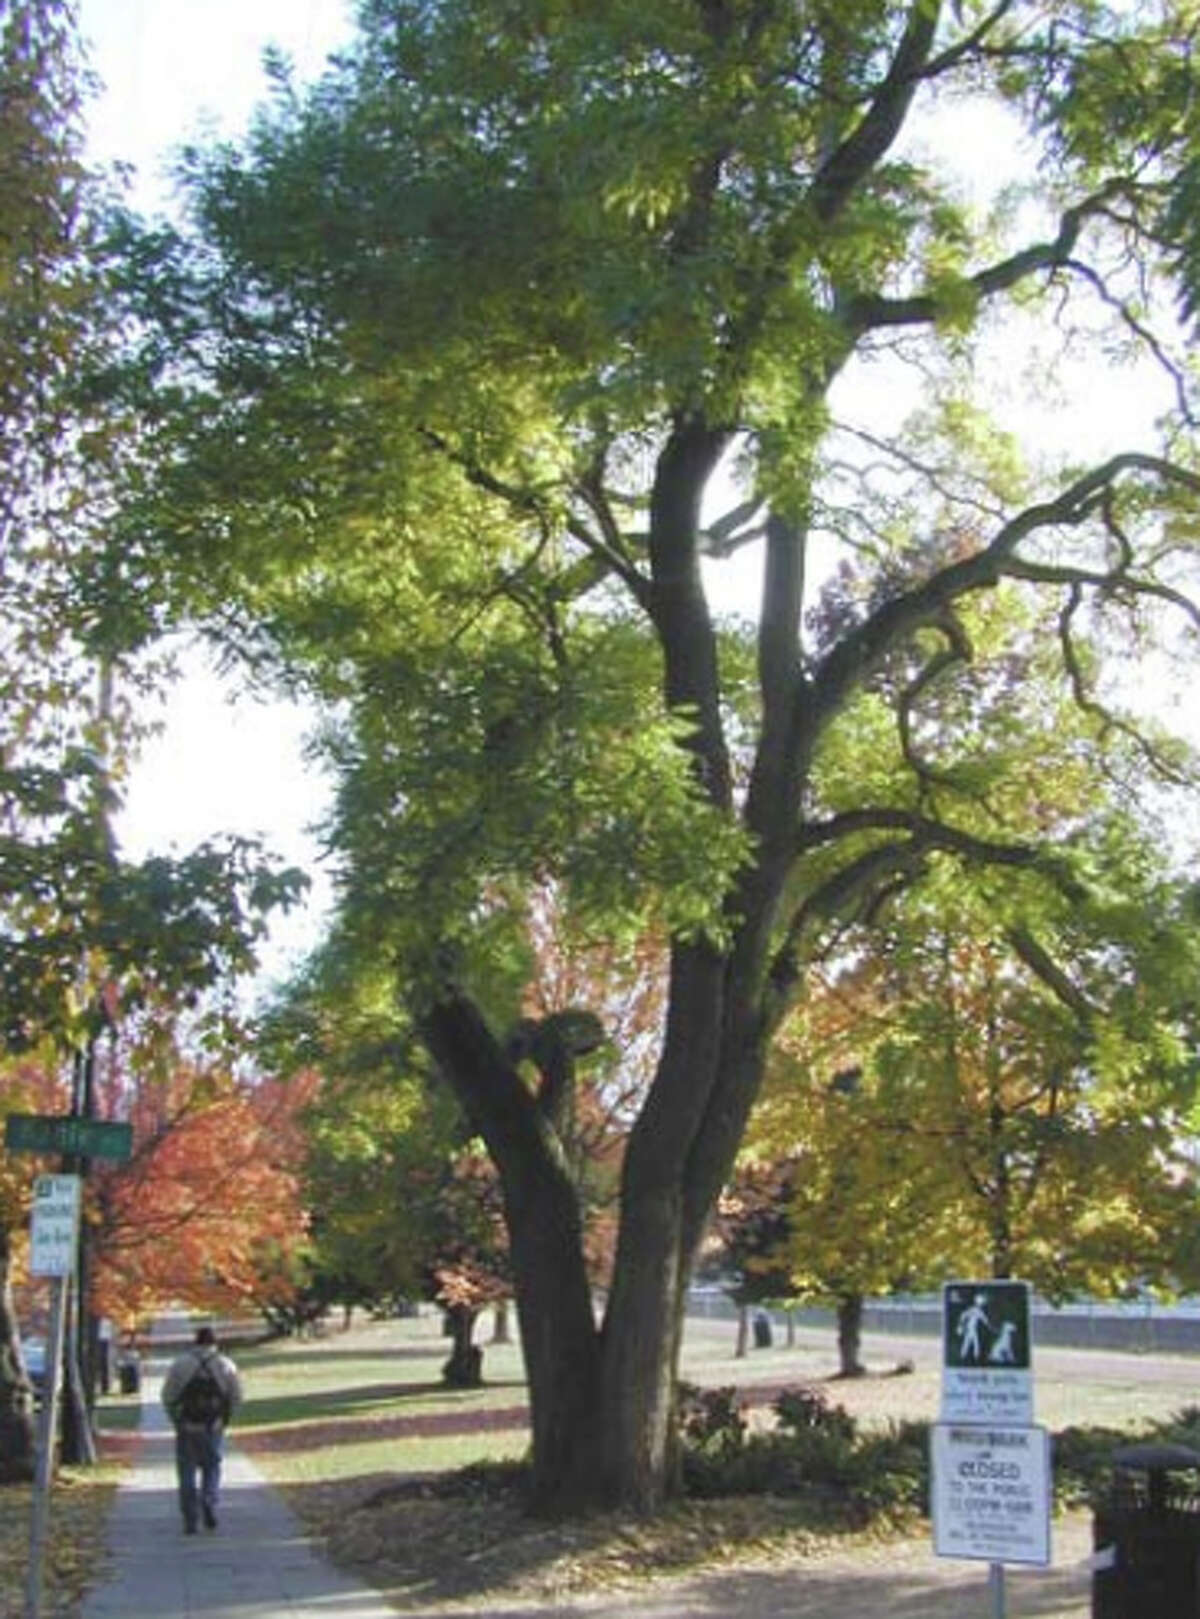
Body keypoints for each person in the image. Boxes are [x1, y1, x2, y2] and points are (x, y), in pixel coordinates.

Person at [161, 1325, 243, 1534]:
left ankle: (190, 1517)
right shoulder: (226, 1364)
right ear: (215, 1343)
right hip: (213, 1425)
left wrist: (176, 1420)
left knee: (186, 1470)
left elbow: (168, 1396)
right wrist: (225, 1420)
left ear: (195, 1342)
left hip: (188, 1425)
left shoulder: (180, 1364)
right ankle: (209, 1499)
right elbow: (236, 1397)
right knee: (212, 1466)